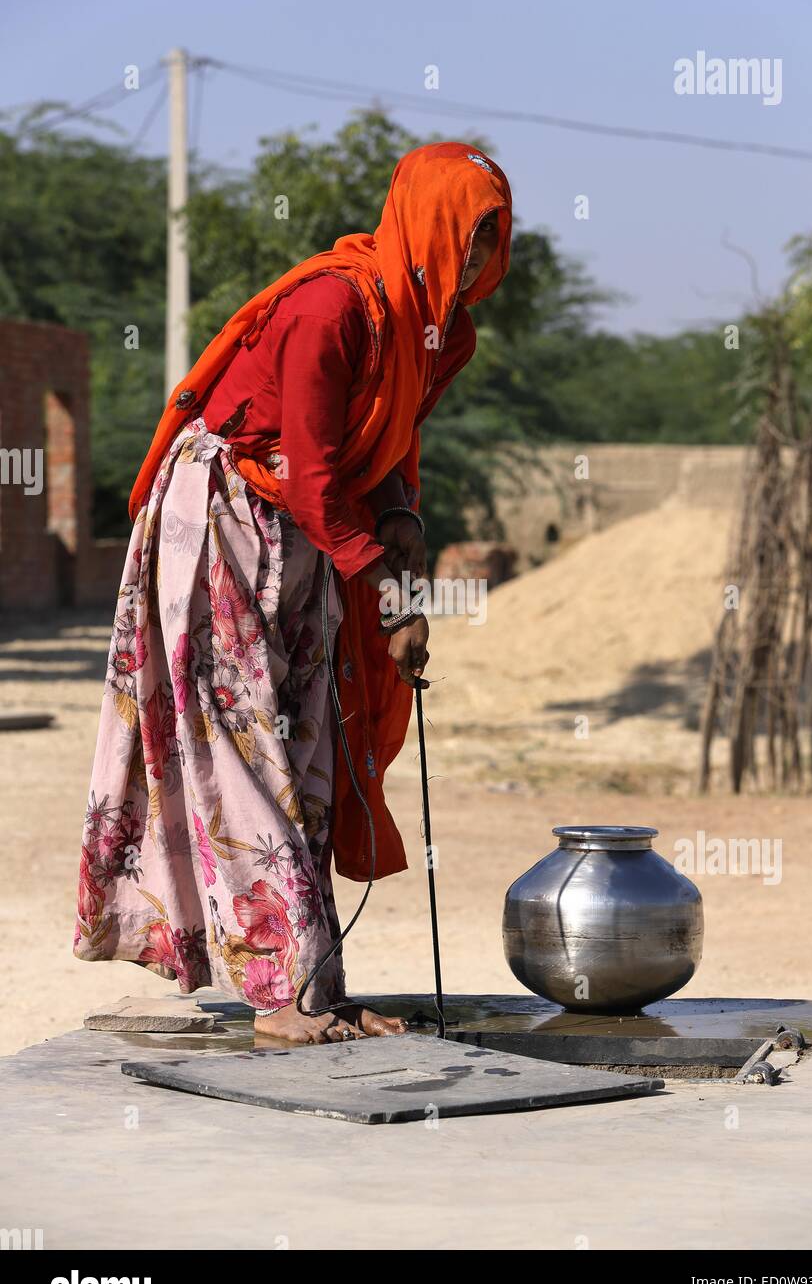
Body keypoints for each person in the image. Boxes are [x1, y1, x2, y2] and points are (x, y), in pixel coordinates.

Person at [74, 142, 512, 1044]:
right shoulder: (331, 308)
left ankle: (317, 984)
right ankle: (282, 995)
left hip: (306, 532)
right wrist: (395, 603)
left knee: (305, 738)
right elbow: (312, 473)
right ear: (424, 222)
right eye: (466, 233)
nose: (476, 256)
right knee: (236, 741)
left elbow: (381, 447)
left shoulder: (437, 331)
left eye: (491, 238)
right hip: (224, 513)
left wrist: (401, 516)